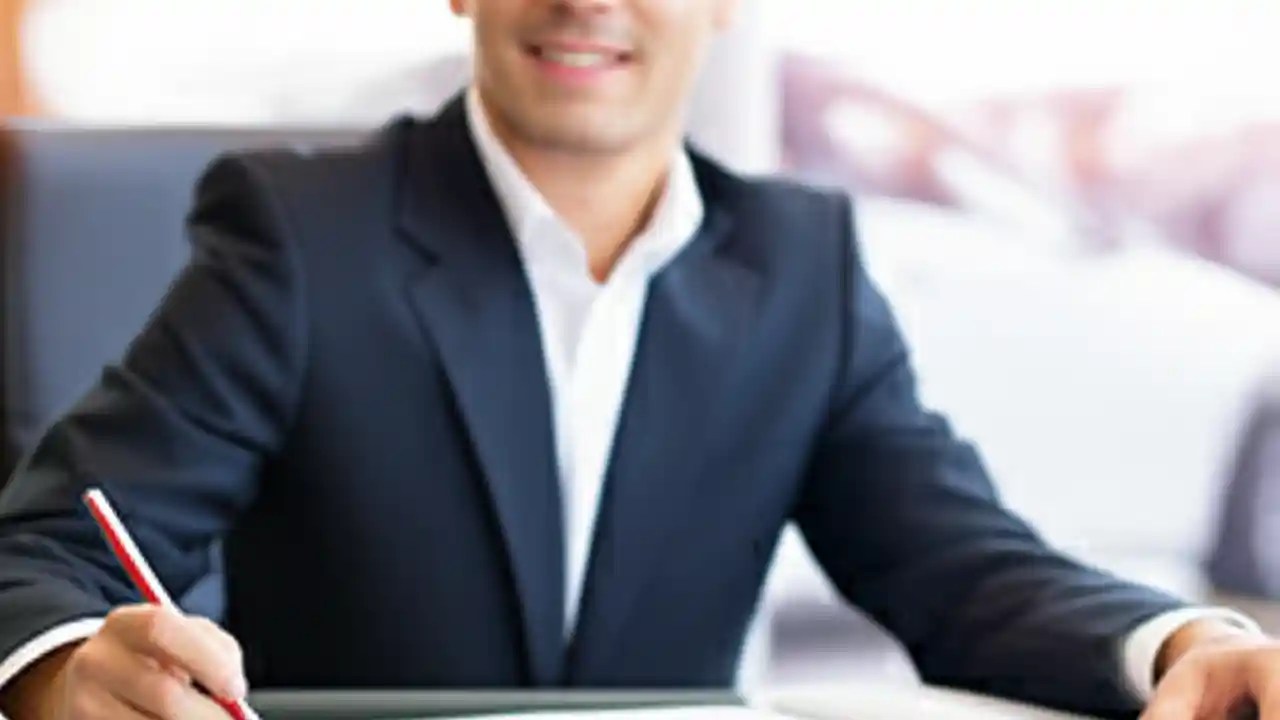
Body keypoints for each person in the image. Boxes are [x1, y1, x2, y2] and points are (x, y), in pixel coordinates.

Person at [1, 1, 1278, 718]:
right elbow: (50, 546)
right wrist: (61, 667)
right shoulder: (299, 234)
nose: (585, 0)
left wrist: (1175, 644)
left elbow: (955, 563)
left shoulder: (800, 261)